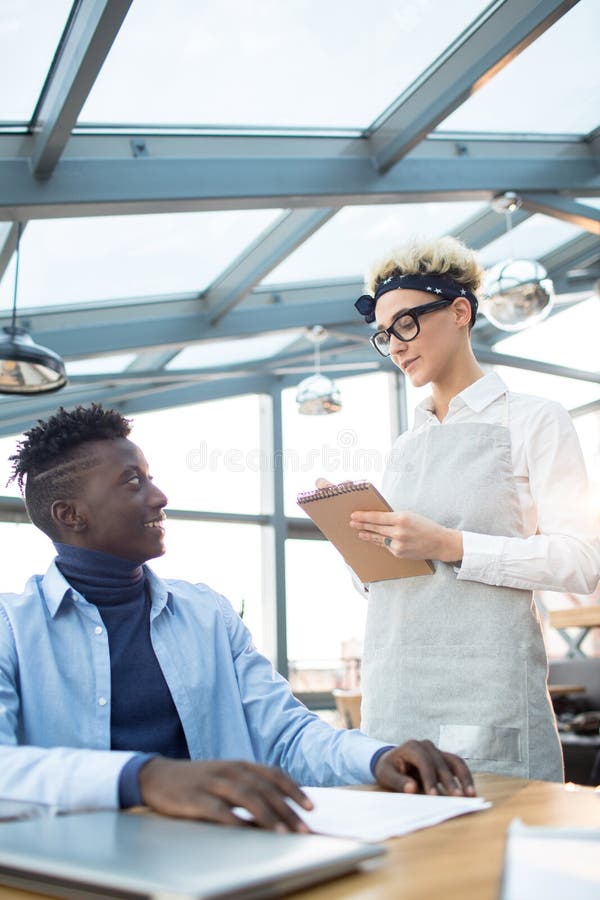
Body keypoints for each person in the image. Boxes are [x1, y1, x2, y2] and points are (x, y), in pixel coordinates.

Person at [0, 405, 474, 833]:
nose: (159, 496)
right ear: (70, 515)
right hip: (76, 869)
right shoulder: (10, 628)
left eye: (149, 477)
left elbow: (286, 736)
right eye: (132, 482)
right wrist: (145, 778)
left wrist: (377, 757)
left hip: (219, 855)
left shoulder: (206, 614)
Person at [348, 235, 600, 783]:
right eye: (385, 335)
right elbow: (393, 583)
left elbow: (582, 563)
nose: (396, 347)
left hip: (487, 694)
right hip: (393, 693)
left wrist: (451, 545)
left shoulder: (534, 419)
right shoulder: (404, 446)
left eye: (406, 325)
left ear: (460, 312)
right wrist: (363, 545)